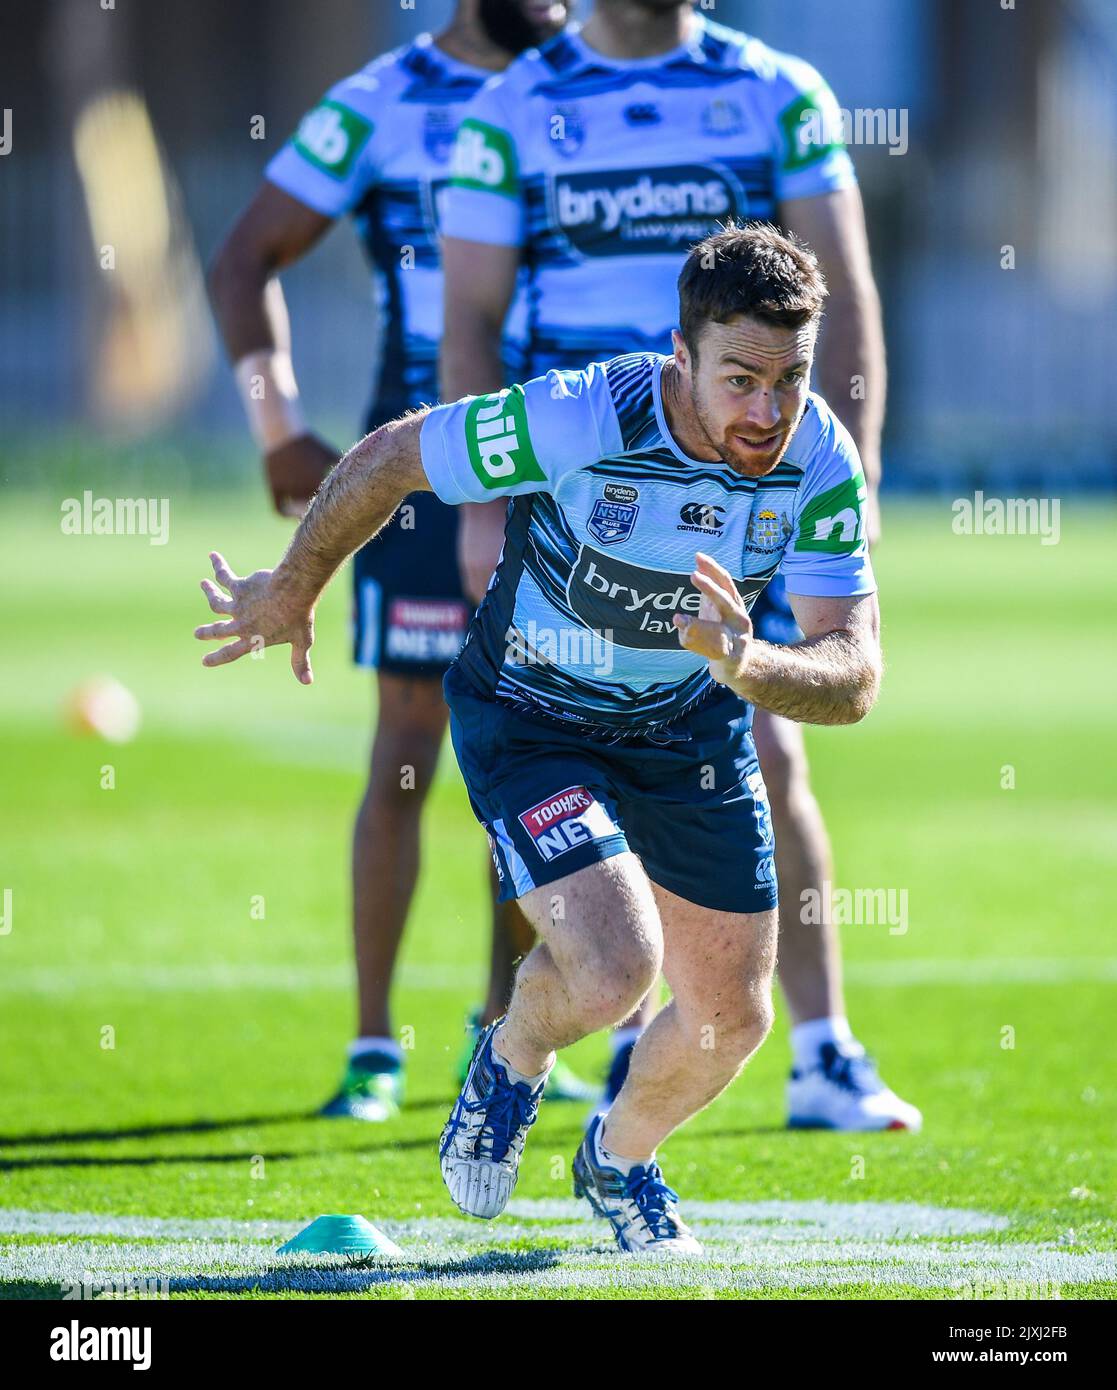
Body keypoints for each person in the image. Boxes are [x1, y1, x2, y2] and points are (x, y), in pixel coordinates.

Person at [195, 224, 882, 1254]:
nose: (766, 410)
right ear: (679, 354)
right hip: (533, 716)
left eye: (790, 378)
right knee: (612, 971)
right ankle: (510, 1052)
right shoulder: (582, 416)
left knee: (729, 1022)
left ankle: (618, 1160)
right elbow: (393, 458)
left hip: (686, 726)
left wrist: (752, 667)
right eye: (739, 378)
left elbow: (853, 672)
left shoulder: (817, 456)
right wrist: (293, 587)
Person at [440, 0, 919, 1130]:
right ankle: (550, 1026)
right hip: (575, 486)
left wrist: (854, 481)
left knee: (767, 736)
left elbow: (839, 301)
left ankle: (822, 1047)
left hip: (742, 479)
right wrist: (477, 504)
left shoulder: (777, 89)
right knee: (547, 722)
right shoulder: (510, 105)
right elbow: (470, 313)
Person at [207, 0, 595, 1120]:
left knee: (543, 749)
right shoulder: (381, 102)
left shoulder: (593, 89)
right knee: (409, 748)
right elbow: (242, 260)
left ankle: (505, 1028)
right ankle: (374, 1046)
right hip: (420, 470)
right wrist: (276, 424)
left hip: (573, 472)